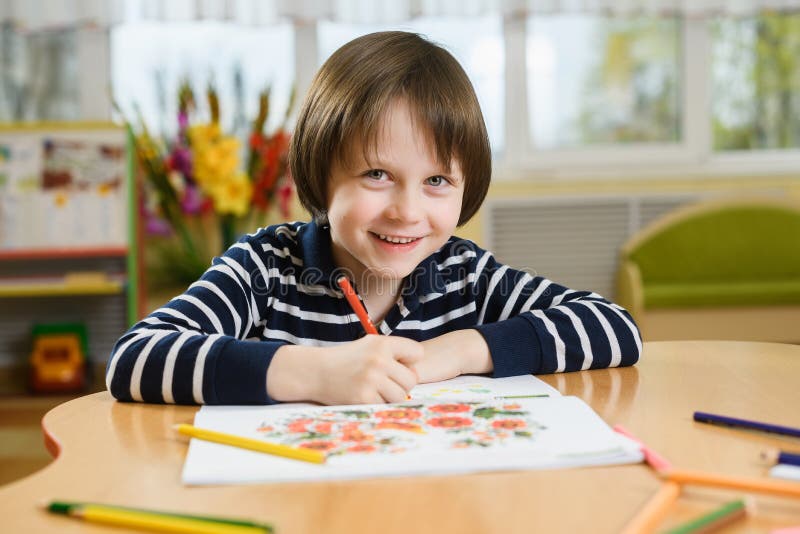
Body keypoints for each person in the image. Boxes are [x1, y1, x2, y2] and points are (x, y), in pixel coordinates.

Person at [106, 31, 641, 405]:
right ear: (321, 172)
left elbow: (616, 328)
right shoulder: (266, 269)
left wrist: (454, 352)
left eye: (437, 182)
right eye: (376, 175)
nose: (407, 211)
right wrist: (313, 372)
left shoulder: (465, 274)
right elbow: (135, 358)